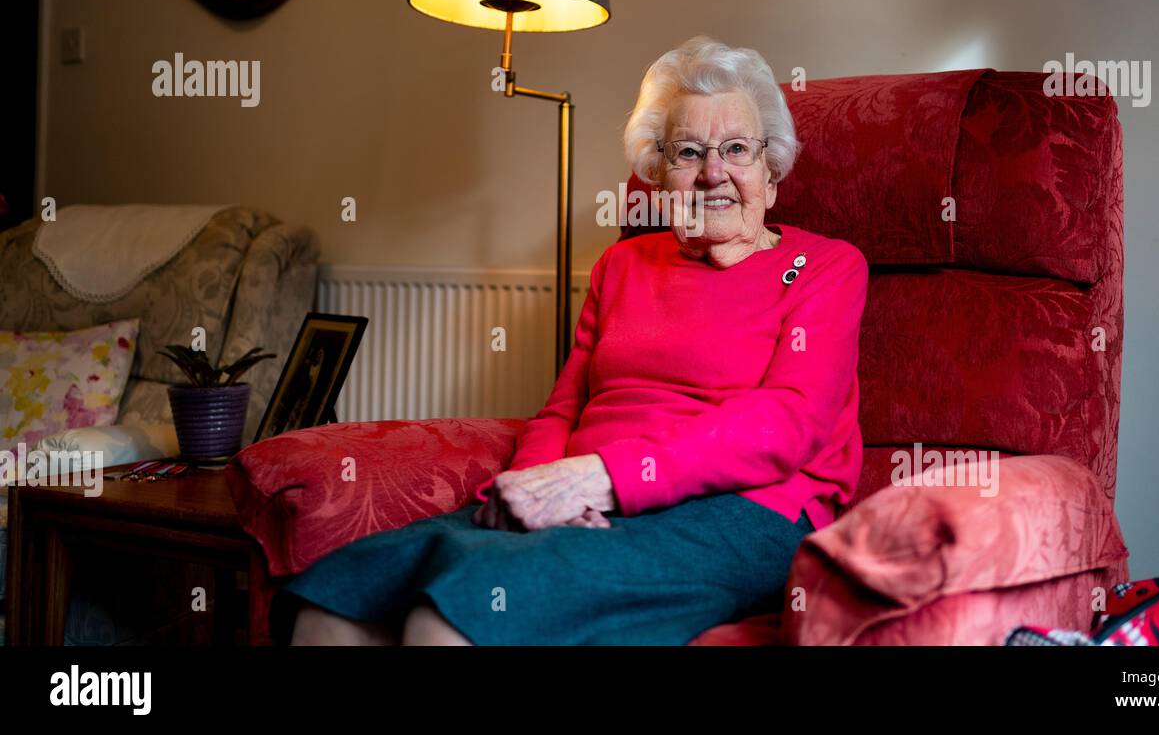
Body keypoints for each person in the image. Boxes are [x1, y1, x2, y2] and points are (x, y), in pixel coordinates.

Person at [274, 35, 870, 645]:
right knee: (335, 600)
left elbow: (789, 421)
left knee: (456, 613)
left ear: (770, 172)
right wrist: (538, 492)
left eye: (737, 149)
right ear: (659, 174)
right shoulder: (623, 267)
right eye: (688, 152)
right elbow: (564, 409)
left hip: (746, 513)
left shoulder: (825, 267)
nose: (713, 171)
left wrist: (605, 478)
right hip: (585, 497)